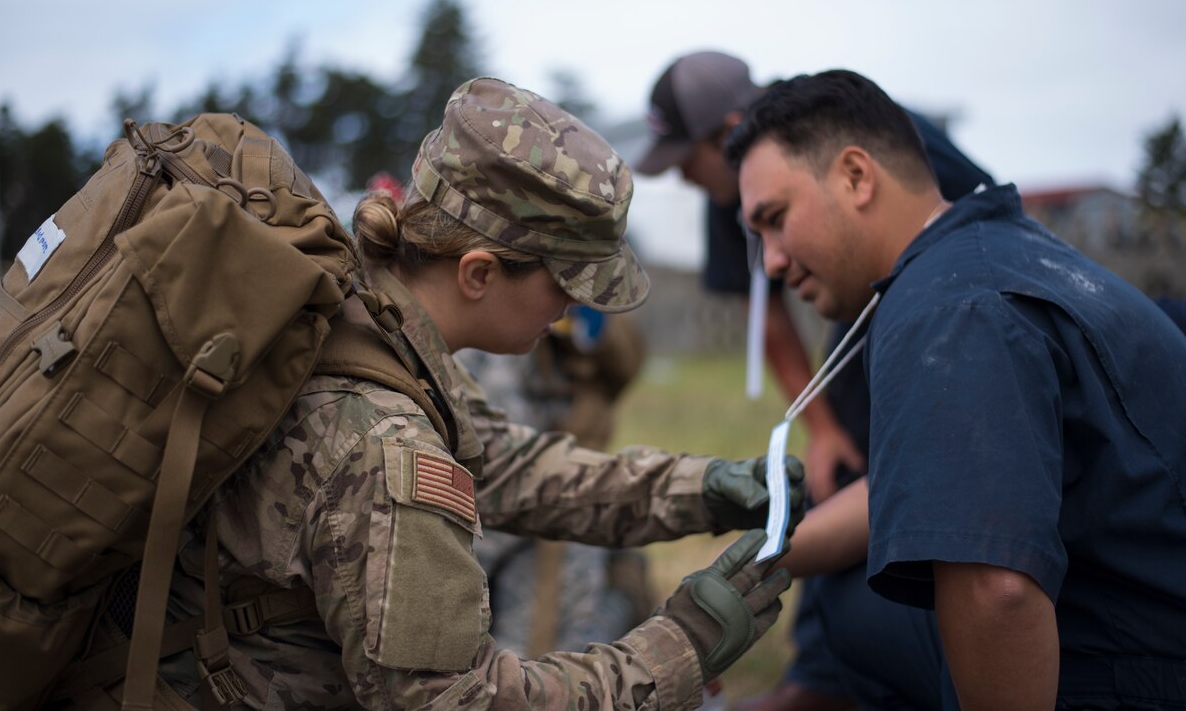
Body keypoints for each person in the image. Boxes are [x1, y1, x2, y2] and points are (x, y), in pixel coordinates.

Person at [66, 77, 805, 711]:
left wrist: (702, 489)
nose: (574, 310)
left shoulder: (363, 313)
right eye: (567, 283)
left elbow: (508, 467)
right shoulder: (382, 442)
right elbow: (456, 699)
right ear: (479, 272)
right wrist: (681, 647)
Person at [727, 69, 1186, 711]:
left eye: (775, 220)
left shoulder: (947, 308)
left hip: (1128, 666)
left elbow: (997, 591)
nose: (770, 261)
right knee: (853, 586)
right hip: (1141, 612)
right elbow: (929, 485)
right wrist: (752, 565)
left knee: (879, 597)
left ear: (857, 177)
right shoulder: (1001, 250)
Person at [637, 51, 994, 711]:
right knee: (840, 484)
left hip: (938, 316)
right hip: (858, 332)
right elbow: (763, 315)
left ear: (730, 127)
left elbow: (983, 216)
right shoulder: (732, 194)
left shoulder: (857, 126)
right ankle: (824, 677)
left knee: (938, 499)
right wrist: (824, 428)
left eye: (688, 161)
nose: (687, 179)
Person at [461, 306, 654, 656]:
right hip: (484, 528)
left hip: (553, 522)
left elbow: (624, 362)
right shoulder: (489, 343)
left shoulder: (578, 329)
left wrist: (591, 323)